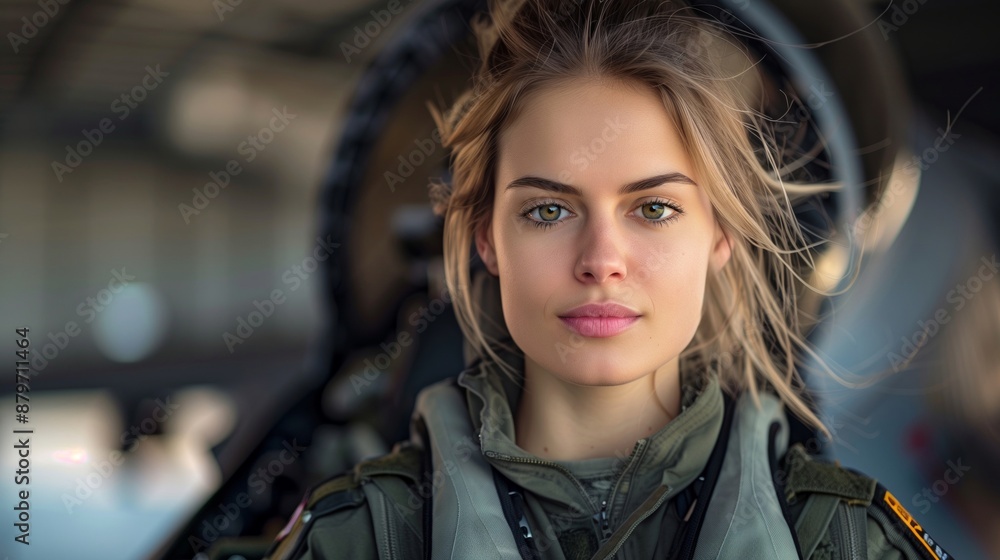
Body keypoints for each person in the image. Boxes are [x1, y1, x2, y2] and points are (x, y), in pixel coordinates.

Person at [260, 0, 956, 558]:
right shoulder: (348, 538)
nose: (601, 258)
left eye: (654, 208)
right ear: (485, 237)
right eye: (549, 209)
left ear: (720, 235)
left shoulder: (852, 542)